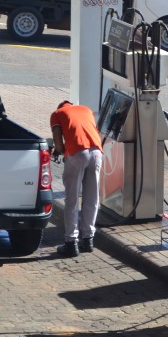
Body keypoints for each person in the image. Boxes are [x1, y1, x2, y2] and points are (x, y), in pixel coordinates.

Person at [50, 100, 104, 258]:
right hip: (96, 152)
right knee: (92, 197)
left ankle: (71, 242)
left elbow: (59, 144)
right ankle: (88, 240)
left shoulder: (57, 114)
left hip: (77, 153)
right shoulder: (86, 109)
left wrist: (57, 151)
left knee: (72, 199)